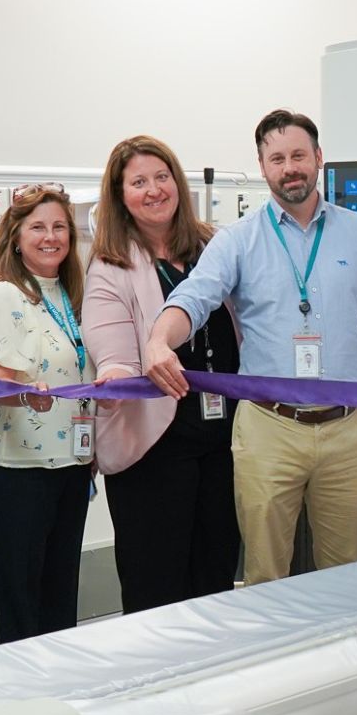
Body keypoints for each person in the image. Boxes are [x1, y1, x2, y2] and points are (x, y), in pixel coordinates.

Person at [142, 109, 357, 585]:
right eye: (276, 158)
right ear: (263, 168)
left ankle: (340, 659)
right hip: (269, 429)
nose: (289, 168)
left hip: (348, 430)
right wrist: (160, 341)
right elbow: (194, 298)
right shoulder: (238, 240)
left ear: (319, 158)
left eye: (298, 155)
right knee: (265, 577)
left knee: (343, 573)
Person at [82, 136, 241, 612]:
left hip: (223, 439)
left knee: (215, 574)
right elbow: (111, 348)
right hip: (154, 444)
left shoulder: (214, 245)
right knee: (157, 585)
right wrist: (113, 374)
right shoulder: (110, 266)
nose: (154, 190)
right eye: (138, 182)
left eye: (162, 177)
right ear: (120, 196)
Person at [0, 185, 93, 641]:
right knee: (22, 593)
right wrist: (23, 395)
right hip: (17, 464)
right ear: (15, 236)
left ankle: (61, 689)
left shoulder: (71, 294)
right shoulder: (3, 296)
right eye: (37, 227)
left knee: (61, 586)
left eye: (60, 226)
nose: (50, 236)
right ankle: (20, 693)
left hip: (71, 461)